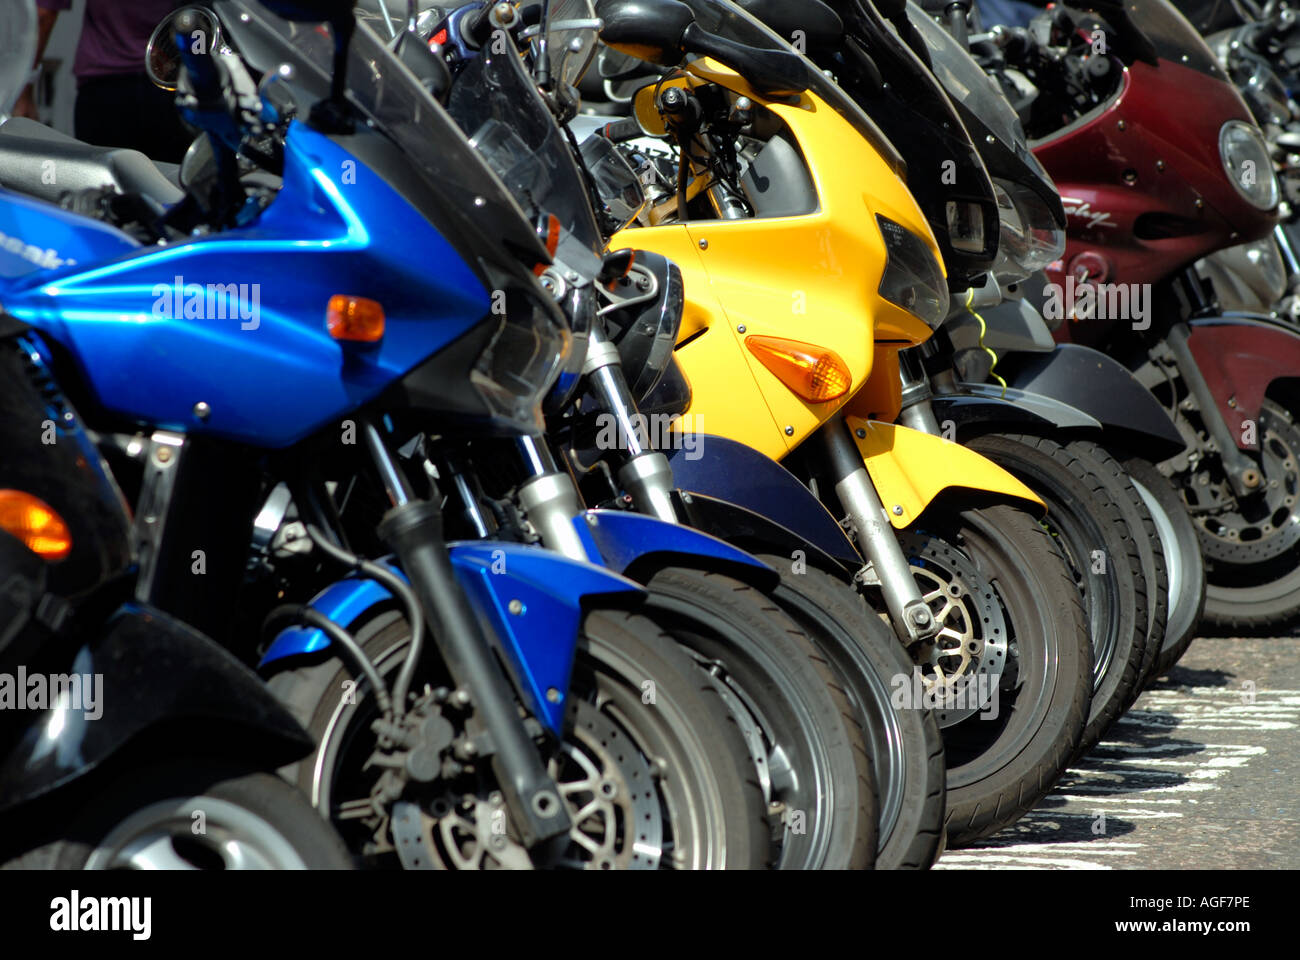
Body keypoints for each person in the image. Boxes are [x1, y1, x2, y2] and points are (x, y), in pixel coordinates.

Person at [12, 0, 193, 163]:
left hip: (103, 89)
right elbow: (200, 18)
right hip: (169, 84)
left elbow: (45, 14)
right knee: (171, 187)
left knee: (103, 189)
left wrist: (25, 88)